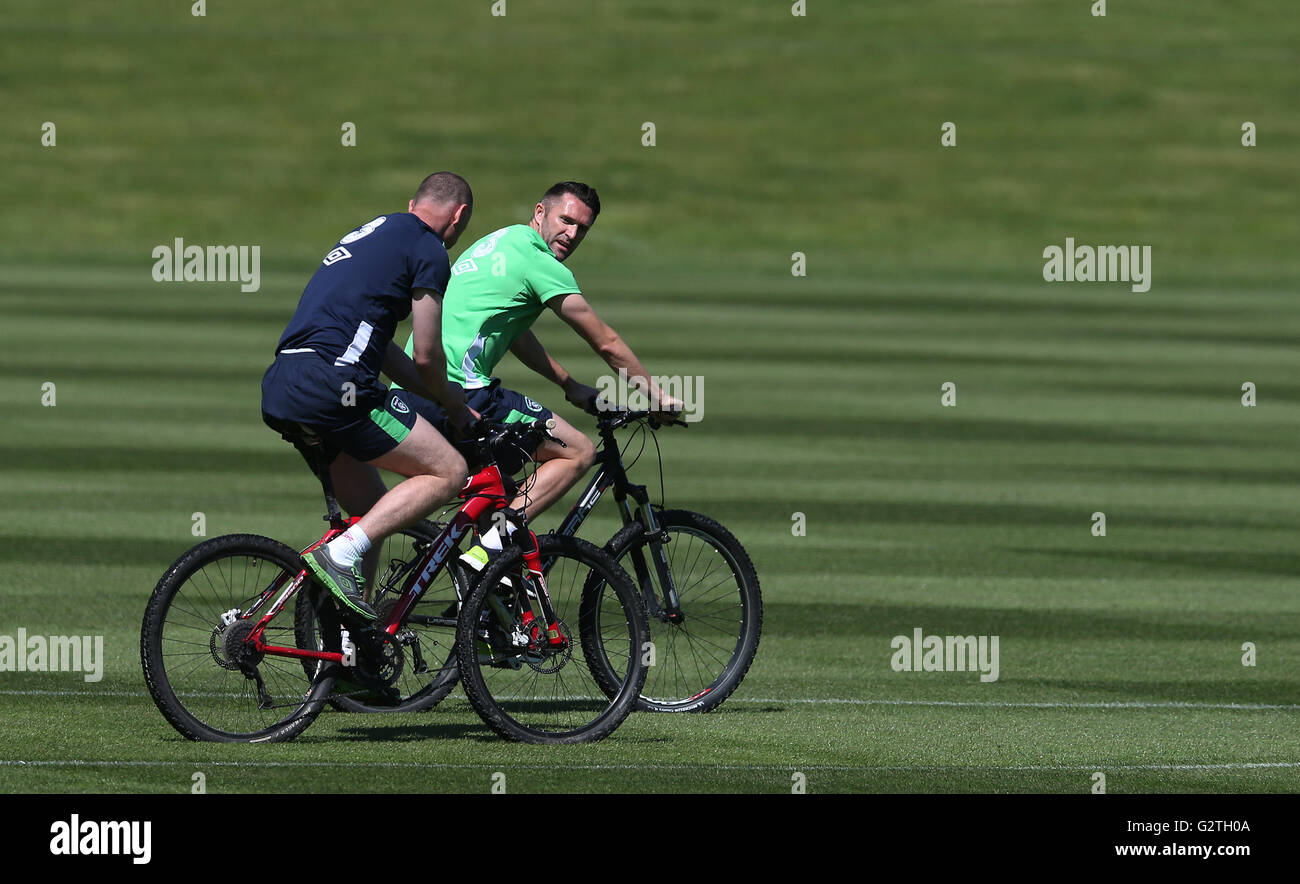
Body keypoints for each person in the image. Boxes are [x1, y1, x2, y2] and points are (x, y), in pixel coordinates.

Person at [386, 181, 682, 567]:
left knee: (503, 495)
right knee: (577, 451)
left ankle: (484, 600)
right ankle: (483, 561)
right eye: (566, 220)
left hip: (413, 388)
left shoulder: (503, 240)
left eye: (583, 229)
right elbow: (605, 341)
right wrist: (657, 397)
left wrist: (568, 384)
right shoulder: (539, 263)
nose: (572, 234)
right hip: (460, 392)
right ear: (541, 212)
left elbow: (512, 330)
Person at [260, 172, 478, 621]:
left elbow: (383, 351)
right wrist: (456, 407)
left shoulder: (377, 230)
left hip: (284, 381)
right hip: (334, 386)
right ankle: (341, 555)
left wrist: (438, 397)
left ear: (413, 202)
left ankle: (352, 658)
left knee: (372, 516)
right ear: (458, 216)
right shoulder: (430, 250)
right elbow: (427, 353)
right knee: (450, 471)